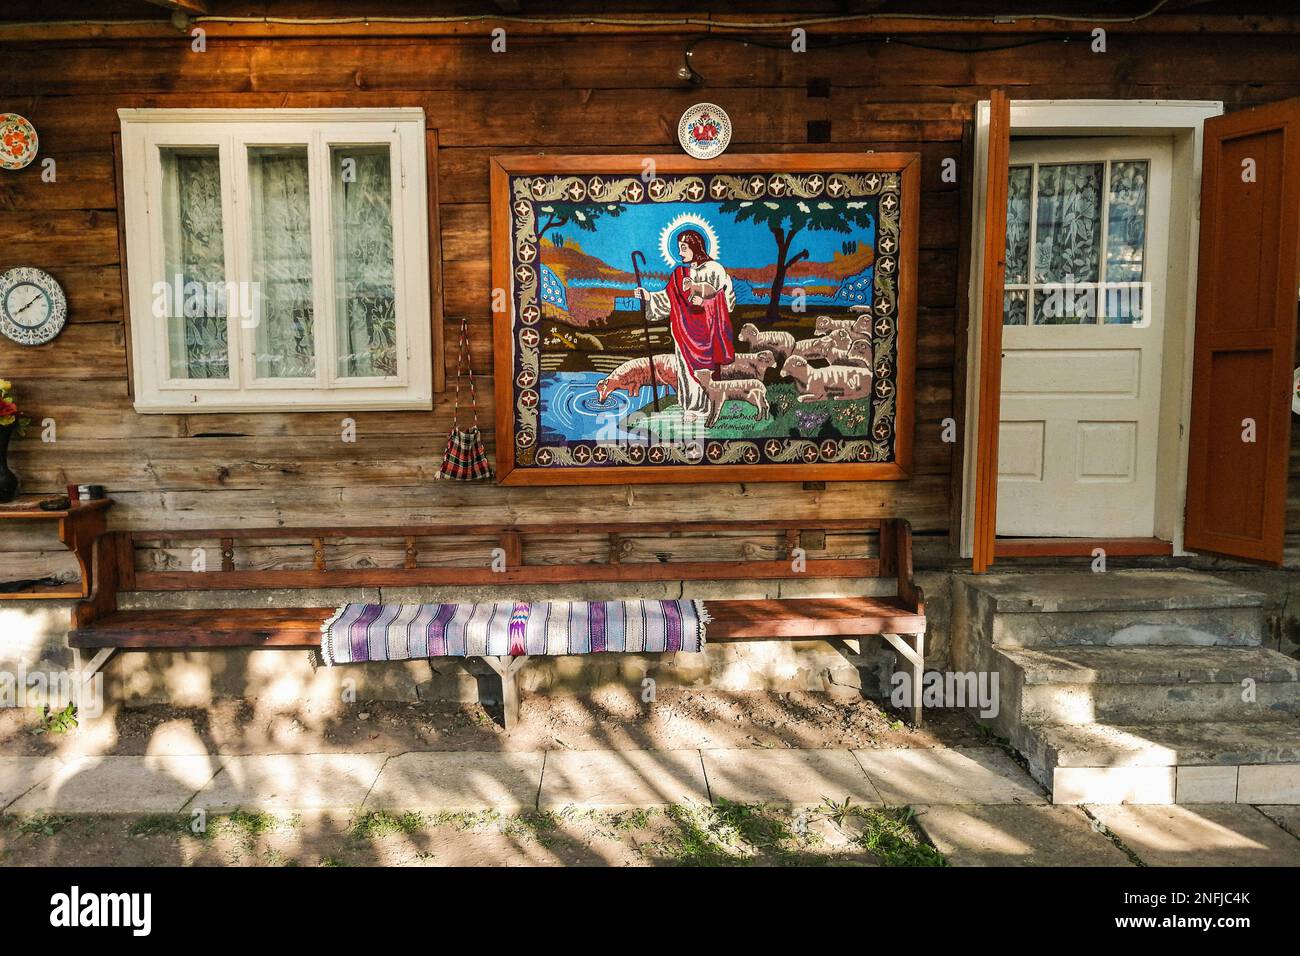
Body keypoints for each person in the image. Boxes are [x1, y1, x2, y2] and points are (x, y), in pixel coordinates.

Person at [634, 230, 736, 418]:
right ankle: (692, 408)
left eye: (683, 248)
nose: (680, 253)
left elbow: (727, 301)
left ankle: (712, 406)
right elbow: (667, 299)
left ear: (695, 247)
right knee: (686, 372)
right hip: (684, 333)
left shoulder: (714, 269)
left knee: (709, 372)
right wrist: (648, 297)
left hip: (709, 331)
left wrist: (707, 302)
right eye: (679, 248)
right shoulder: (678, 274)